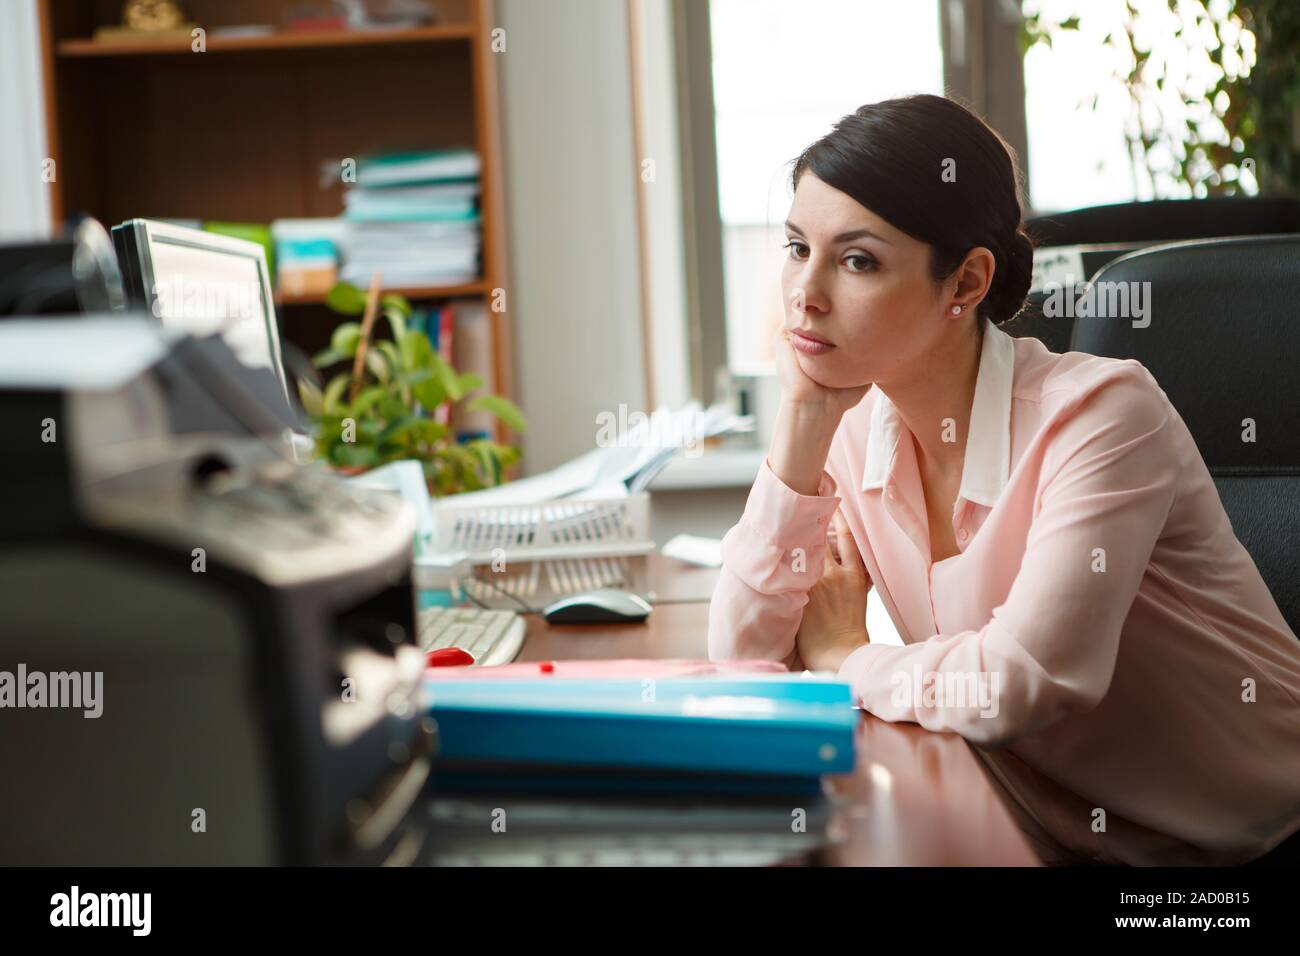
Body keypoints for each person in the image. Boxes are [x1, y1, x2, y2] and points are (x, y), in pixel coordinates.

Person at [707, 94, 1300, 865]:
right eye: (796, 248)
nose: (805, 294)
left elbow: (1021, 683)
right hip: (1050, 834)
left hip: (1242, 852)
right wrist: (801, 421)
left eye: (857, 260)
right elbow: (741, 659)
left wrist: (845, 655)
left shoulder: (1102, 414)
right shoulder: (853, 425)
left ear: (964, 283)